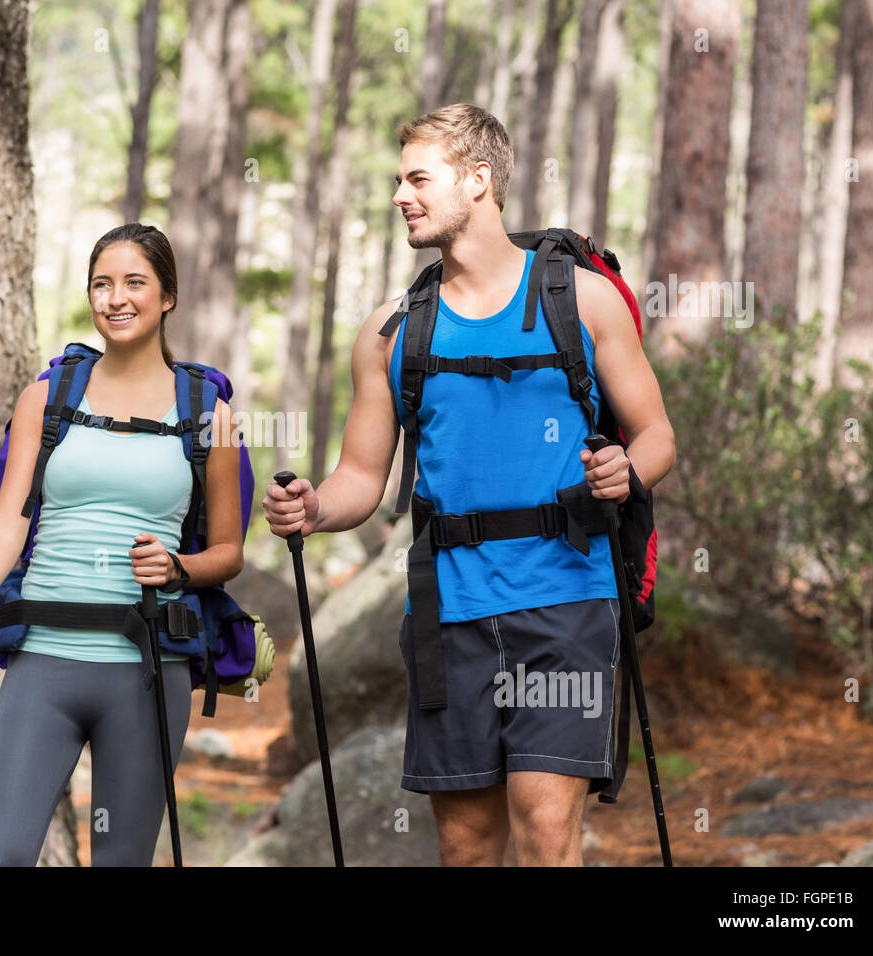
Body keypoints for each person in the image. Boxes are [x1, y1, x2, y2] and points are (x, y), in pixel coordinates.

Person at [262, 104, 675, 866]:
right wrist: (314, 508)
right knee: (465, 846)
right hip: (448, 614)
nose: (400, 196)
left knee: (546, 830)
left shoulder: (581, 300)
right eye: (398, 181)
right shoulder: (391, 331)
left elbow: (656, 436)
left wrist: (627, 469)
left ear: (478, 180)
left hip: (567, 602)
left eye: (418, 179)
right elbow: (360, 476)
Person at [0, 223, 244, 866]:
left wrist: (178, 565)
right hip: (43, 655)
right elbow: (7, 523)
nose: (115, 298)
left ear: (168, 296)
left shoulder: (209, 413)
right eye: (101, 284)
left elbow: (228, 551)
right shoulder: (46, 398)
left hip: (149, 666)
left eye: (134, 282)